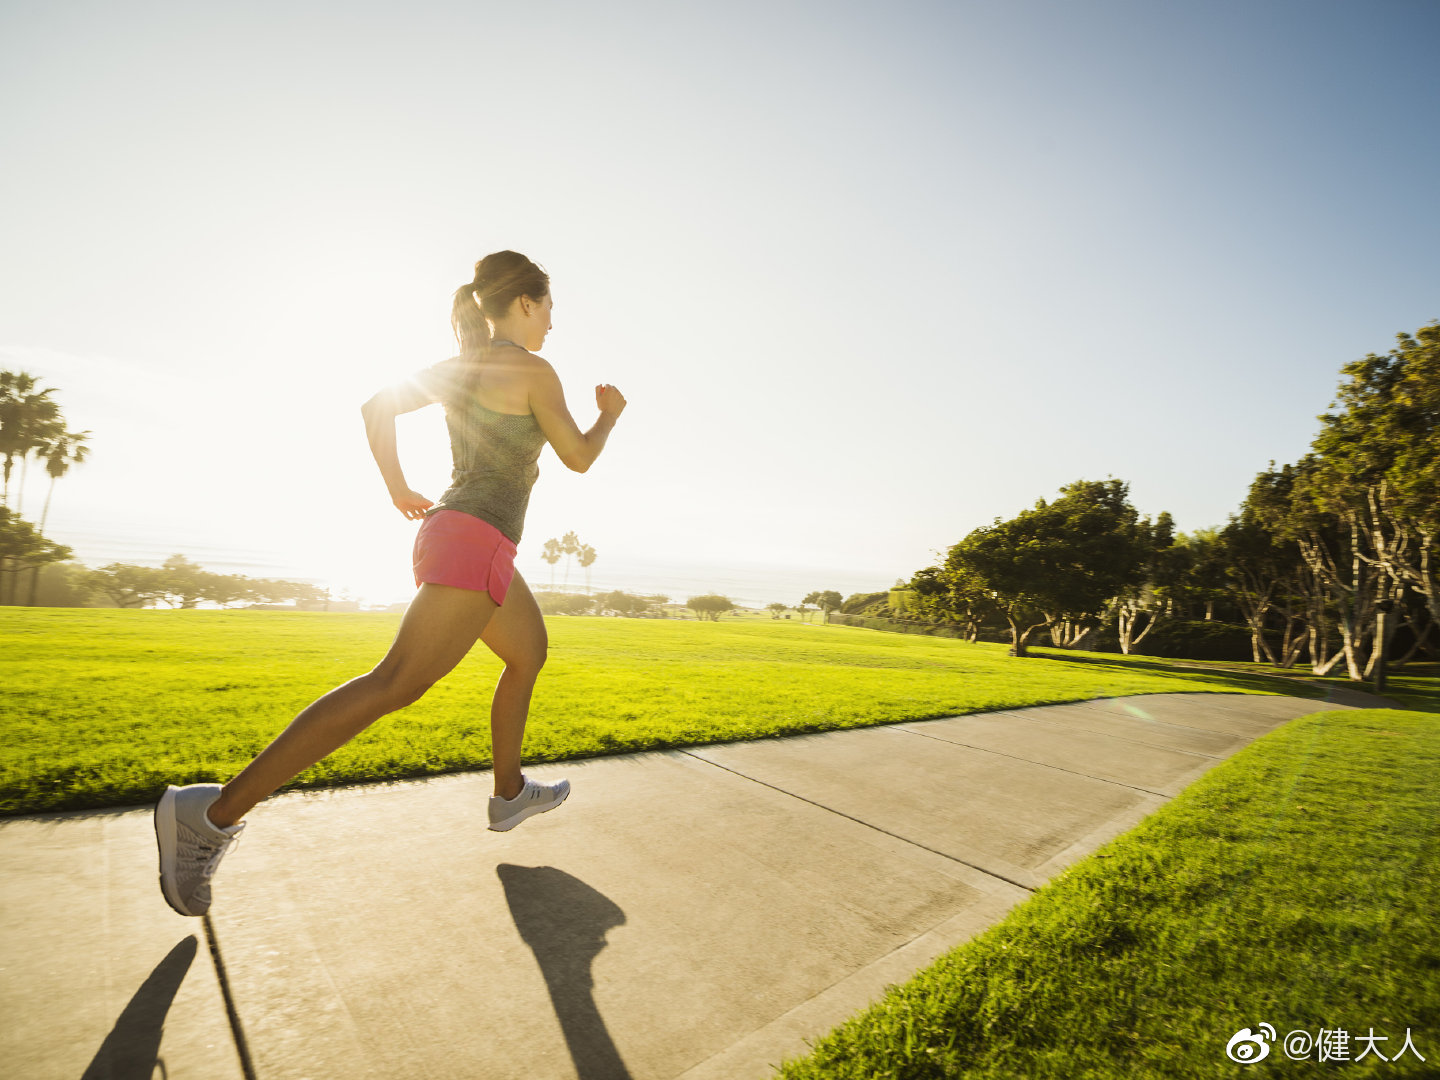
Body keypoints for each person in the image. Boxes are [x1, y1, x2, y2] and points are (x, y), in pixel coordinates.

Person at [154, 250, 626, 918]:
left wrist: (398, 487)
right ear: (524, 302)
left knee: (527, 653)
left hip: (470, 539)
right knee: (394, 683)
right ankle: (212, 813)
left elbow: (376, 406)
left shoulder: (462, 367)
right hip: (473, 542)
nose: (552, 322)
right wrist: (609, 414)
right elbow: (577, 456)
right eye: (549, 307)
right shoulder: (531, 368)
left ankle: (510, 791)